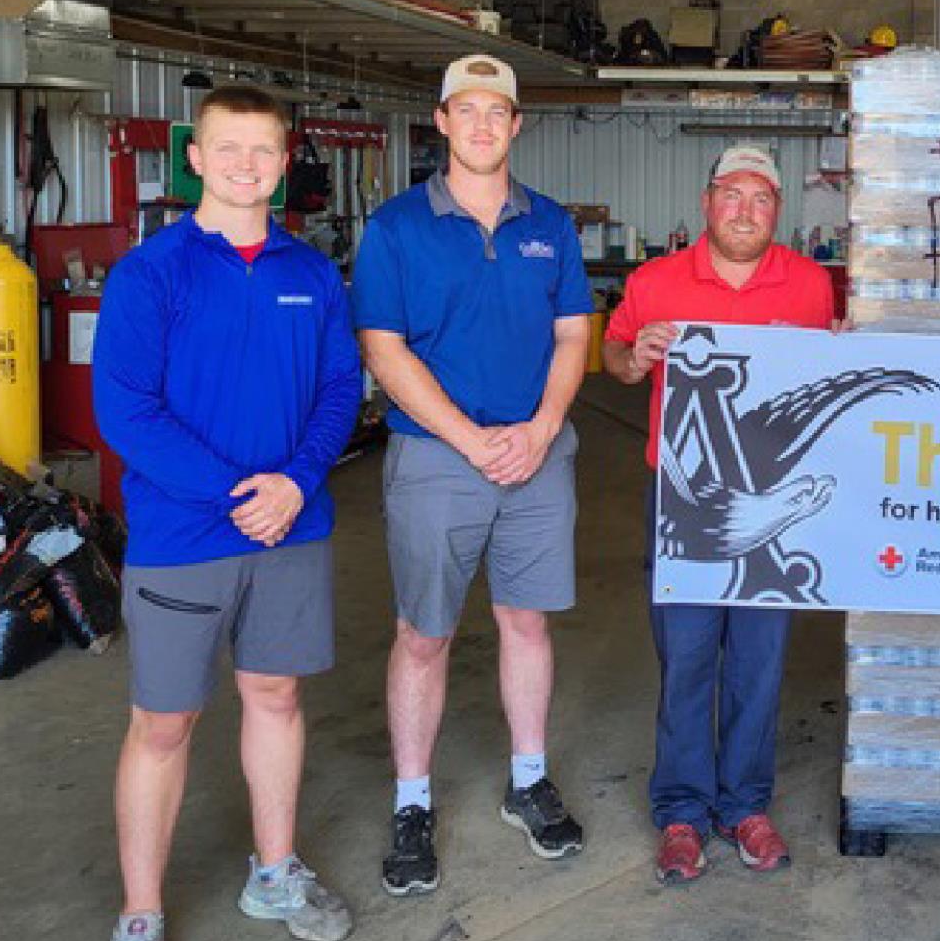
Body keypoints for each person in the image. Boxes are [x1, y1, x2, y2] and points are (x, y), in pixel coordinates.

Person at [94, 85, 362, 941]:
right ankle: (142, 910)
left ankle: (274, 874)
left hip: (291, 525)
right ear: (197, 161)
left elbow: (339, 388)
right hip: (183, 536)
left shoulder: (312, 274)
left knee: (276, 695)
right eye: (228, 149)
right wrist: (236, 493)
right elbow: (126, 411)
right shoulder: (150, 274)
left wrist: (296, 481)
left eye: (264, 151)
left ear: (285, 166)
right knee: (164, 721)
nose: (247, 166)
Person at [351, 54, 593, 897]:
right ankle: (411, 801)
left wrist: (541, 427)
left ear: (517, 124)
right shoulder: (394, 228)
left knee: (526, 623)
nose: (484, 124)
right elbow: (384, 349)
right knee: (424, 631)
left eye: (499, 111)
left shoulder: (551, 225)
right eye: (468, 110)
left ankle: (528, 780)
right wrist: (468, 438)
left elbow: (573, 337)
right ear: (442, 121)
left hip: (536, 456)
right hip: (434, 458)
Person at [602, 145, 836, 884]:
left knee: (761, 663)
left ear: (778, 211)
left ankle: (745, 806)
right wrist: (634, 355)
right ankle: (680, 811)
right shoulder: (656, 280)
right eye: (730, 194)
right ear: (707, 203)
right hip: (682, 507)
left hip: (774, 507)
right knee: (689, 658)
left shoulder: (809, 286)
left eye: (760, 197)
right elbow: (611, 353)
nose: (744, 209)